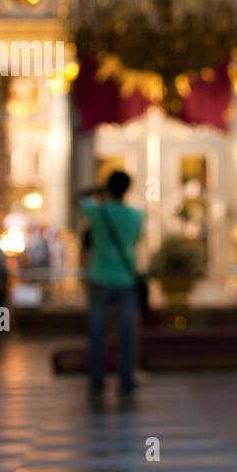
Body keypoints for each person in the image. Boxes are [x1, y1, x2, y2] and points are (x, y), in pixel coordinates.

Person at [79, 171, 143, 410]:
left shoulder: (97, 211)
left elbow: (79, 198)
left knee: (97, 335)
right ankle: (126, 385)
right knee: (127, 334)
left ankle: (97, 386)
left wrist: (97, 190)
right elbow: (135, 241)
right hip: (125, 278)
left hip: (99, 276)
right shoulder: (136, 215)